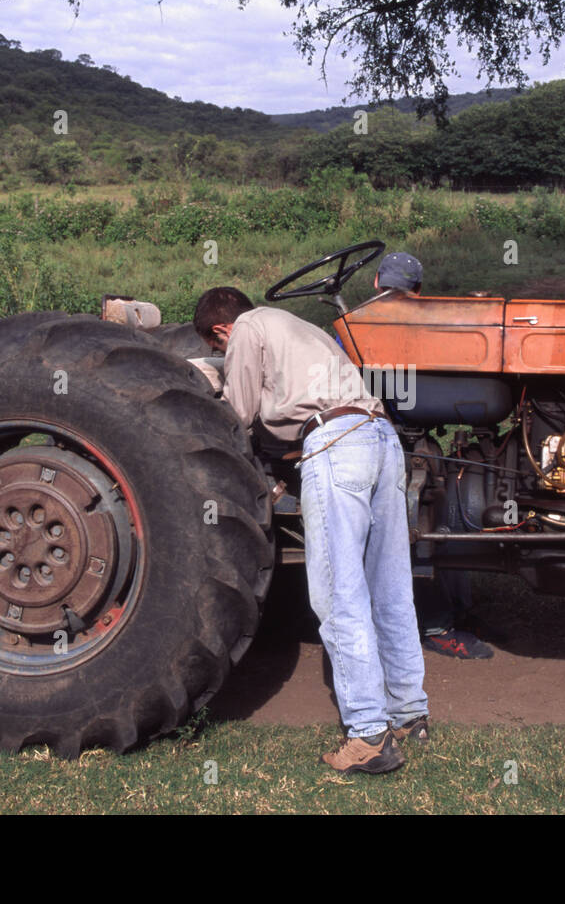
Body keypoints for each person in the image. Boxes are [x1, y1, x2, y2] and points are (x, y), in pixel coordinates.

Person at [193, 286, 430, 774]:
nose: (225, 351)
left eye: (219, 347)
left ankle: (368, 734)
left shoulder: (247, 330)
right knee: (390, 588)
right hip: (381, 439)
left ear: (222, 330)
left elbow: (238, 416)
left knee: (338, 593)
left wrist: (213, 391)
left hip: (335, 442)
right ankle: (410, 713)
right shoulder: (302, 327)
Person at [372, 253, 495, 660]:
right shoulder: (430, 322)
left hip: (410, 437)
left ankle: (458, 611)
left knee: (450, 512)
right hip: (385, 441)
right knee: (425, 523)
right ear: (419, 290)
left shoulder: (356, 324)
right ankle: (436, 625)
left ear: (375, 283)